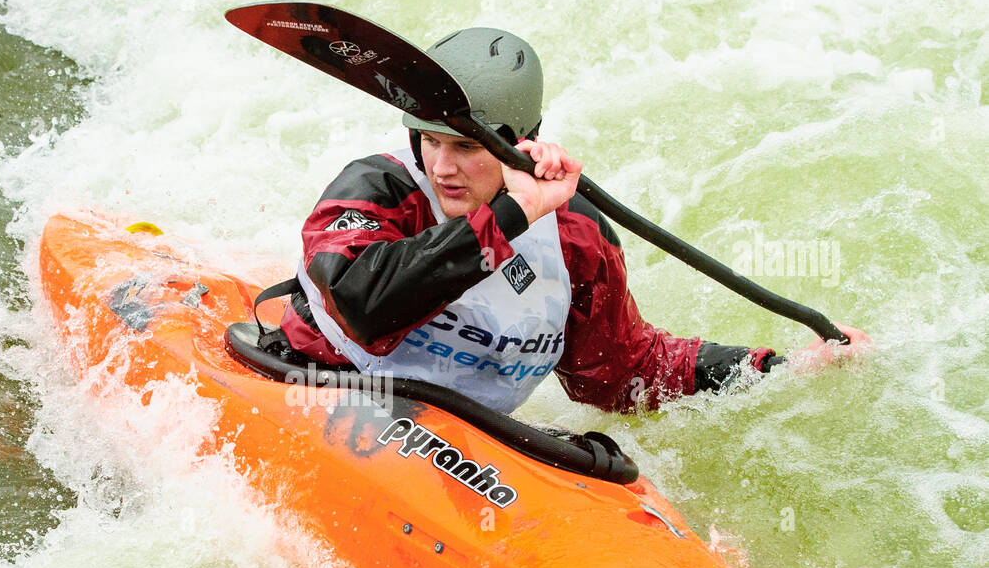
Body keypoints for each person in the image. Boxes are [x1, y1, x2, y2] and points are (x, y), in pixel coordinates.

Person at [275, 26, 867, 416]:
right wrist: (510, 214)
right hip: (318, 386)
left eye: (466, 148)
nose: (443, 167)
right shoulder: (377, 190)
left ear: (518, 143)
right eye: (429, 142)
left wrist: (782, 367)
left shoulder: (577, 238)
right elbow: (362, 307)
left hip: (457, 446)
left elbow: (623, 372)